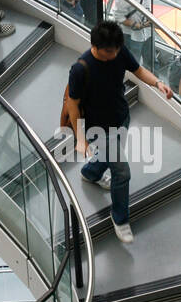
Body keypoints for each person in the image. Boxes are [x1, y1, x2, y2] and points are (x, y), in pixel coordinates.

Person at [66, 19, 172, 245]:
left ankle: (91, 172)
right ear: (95, 46)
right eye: (109, 52)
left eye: (116, 51)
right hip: (99, 128)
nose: (114, 55)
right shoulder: (80, 69)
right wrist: (80, 138)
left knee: (111, 159)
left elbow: (138, 70)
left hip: (121, 117)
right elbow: (72, 104)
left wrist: (158, 83)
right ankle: (120, 219)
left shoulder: (119, 51)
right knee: (122, 173)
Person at [111, 0, 152, 68]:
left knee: (151, 59)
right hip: (133, 34)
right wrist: (135, 24)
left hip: (148, 31)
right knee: (134, 60)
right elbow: (118, 16)